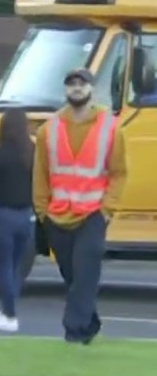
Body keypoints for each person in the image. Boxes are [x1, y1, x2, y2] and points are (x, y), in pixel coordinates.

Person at [33, 67, 127, 345]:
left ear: (91, 89)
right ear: (65, 90)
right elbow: (41, 174)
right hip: (57, 216)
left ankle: (73, 334)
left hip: (93, 214)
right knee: (73, 278)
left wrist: (107, 209)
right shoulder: (47, 130)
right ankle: (90, 323)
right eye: (71, 84)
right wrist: (42, 212)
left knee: (85, 274)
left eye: (82, 84)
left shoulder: (110, 127)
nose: (76, 88)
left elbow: (119, 172)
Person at [0, 107, 35, 333]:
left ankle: (9, 314)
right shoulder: (33, 152)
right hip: (26, 216)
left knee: (3, 266)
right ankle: (9, 308)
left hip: (2, 215)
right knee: (14, 267)